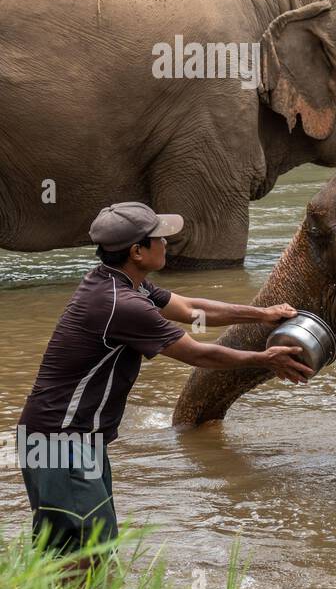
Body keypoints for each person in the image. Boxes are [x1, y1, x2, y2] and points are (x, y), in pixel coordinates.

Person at [16, 202, 315, 553]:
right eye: (159, 238)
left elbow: (191, 309)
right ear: (137, 251)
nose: (167, 244)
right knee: (88, 552)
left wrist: (261, 314)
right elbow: (198, 354)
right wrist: (265, 359)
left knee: (69, 549)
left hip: (62, 440)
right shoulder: (122, 305)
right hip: (60, 444)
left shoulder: (120, 284)